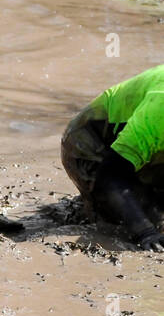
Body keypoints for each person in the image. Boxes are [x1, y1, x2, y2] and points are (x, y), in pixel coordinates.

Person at [62, 64, 164, 252]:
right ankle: (90, 207)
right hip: (91, 141)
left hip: (149, 145)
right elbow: (110, 175)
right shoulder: (160, 110)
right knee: (132, 224)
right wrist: (145, 232)